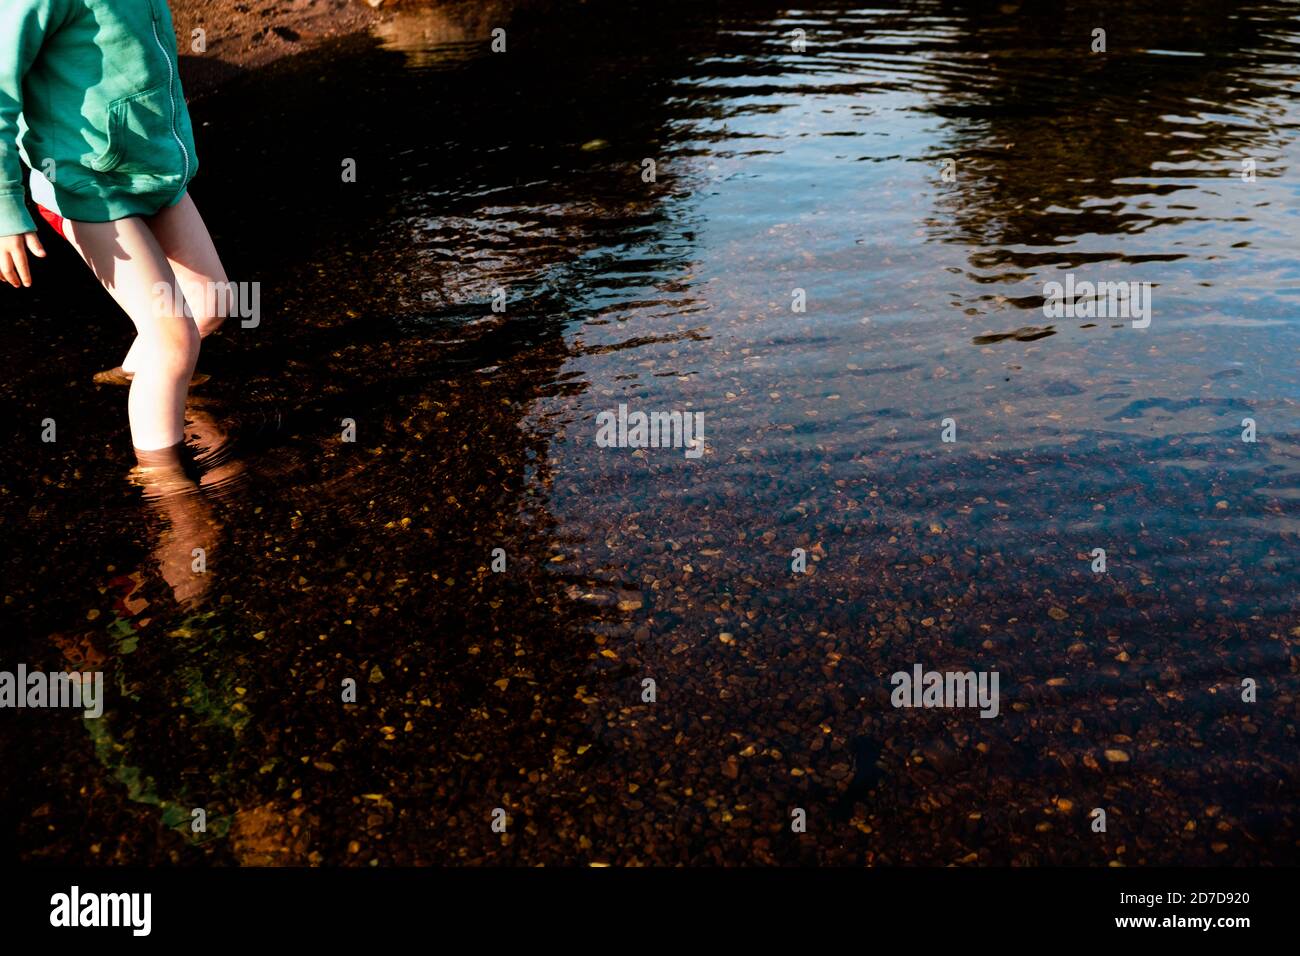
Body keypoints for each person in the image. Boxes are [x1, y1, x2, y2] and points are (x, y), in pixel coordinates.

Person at [0, 0, 231, 463]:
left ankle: (136, 377)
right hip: (86, 186)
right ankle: (166, 486)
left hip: (157, 173)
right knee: (173, 341)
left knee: (212, 304)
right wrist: (6, 209)